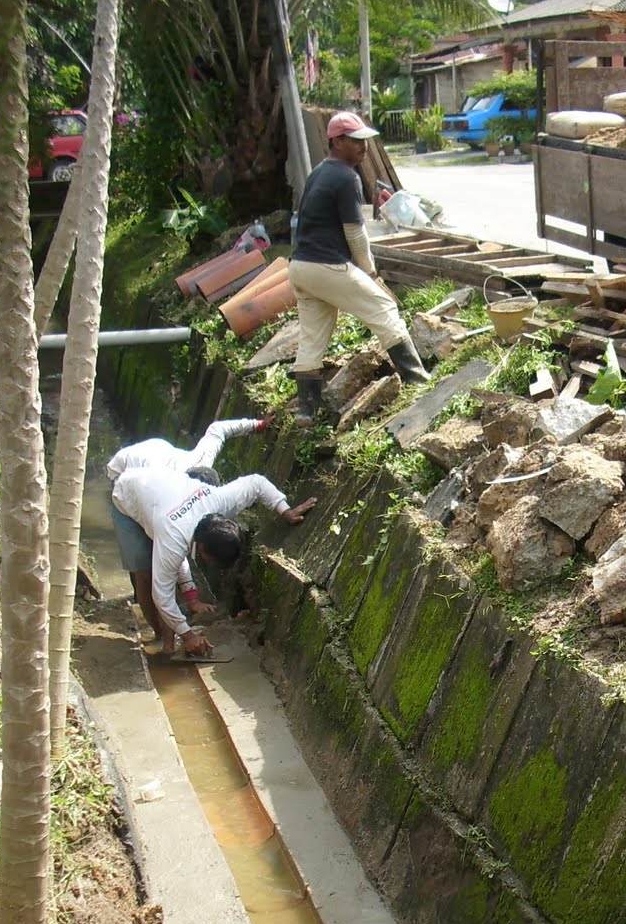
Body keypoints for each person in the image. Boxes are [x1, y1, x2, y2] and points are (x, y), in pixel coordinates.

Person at [288, 110, 429, 422]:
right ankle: (418, 381)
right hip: (326, 265)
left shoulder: (318, 173)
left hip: (300, 267)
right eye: (355, 141)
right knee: (384, 308)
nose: (363, 146)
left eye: (365, 140)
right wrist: (370, 272)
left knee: (312, 336)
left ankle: (306, 411)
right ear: (337, 142)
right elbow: (355, 233)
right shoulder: (346, 177)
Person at [111, 466, 316, 656]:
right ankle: (160, 637)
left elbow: (257, 483)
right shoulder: (174, 536)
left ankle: (169, 636)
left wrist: (285, 510)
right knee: (145, 573)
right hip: (127, 495)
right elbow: (162, 594)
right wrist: (188, 636)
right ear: (201, 547)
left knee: (165, 567)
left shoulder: (220, 500)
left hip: (161, 497)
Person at [105, 416, 270, 482]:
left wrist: (257, 425)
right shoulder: (158, 479)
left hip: (160, 449)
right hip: (121, 467)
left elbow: (218, 429)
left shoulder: (202, 462)